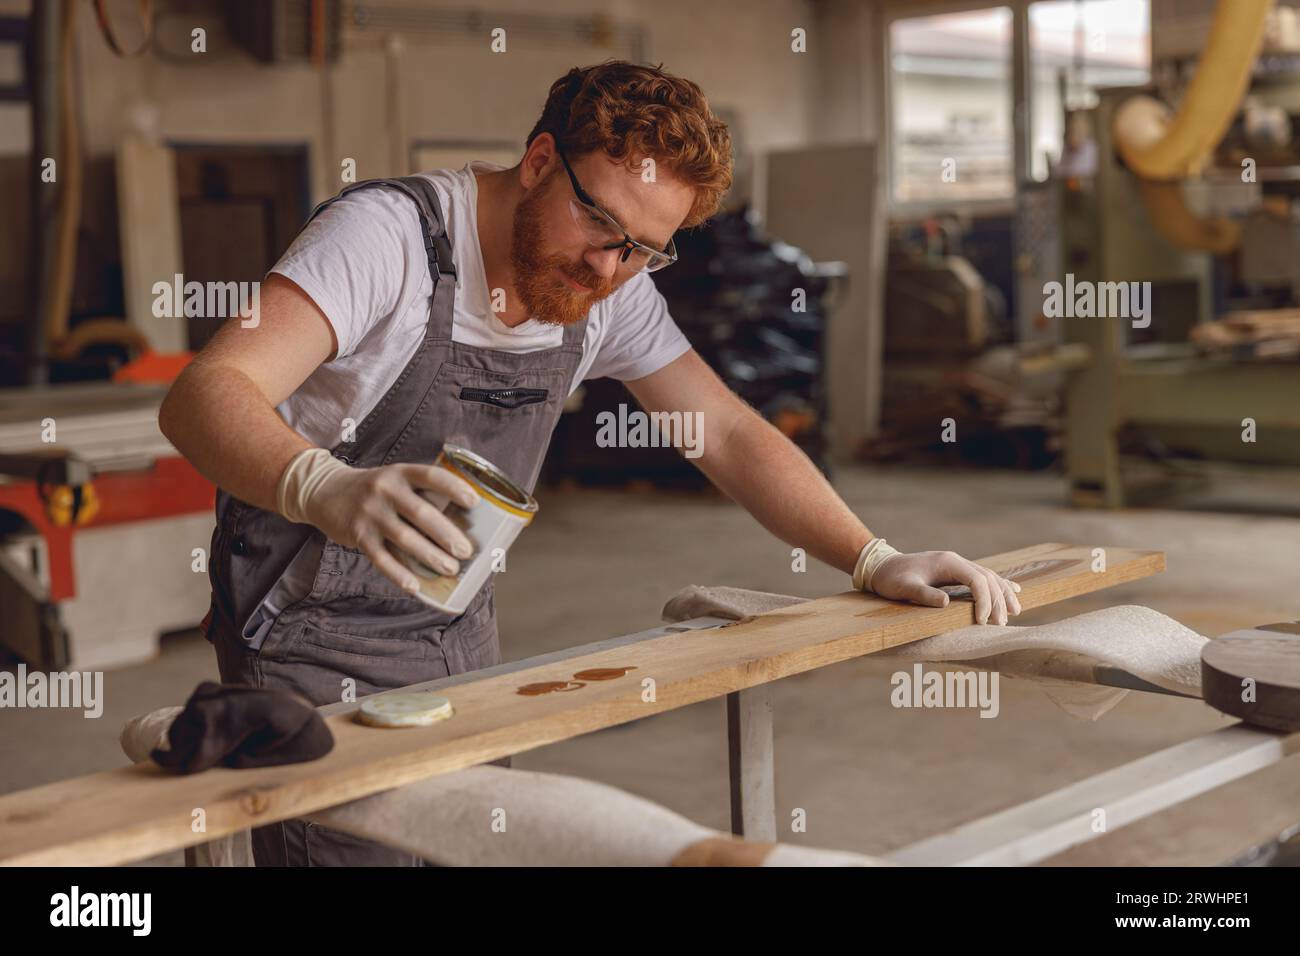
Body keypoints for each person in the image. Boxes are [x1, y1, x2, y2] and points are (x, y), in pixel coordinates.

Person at [159, 60, 1020, 866]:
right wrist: (324, 486)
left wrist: (871, 556)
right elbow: (205, 393)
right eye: (601, 222)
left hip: (456, 626)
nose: (608, 267)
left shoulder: (609, 286)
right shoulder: (387, 239)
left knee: (469, 841)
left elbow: (722, 429)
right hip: (303, 633)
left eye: (644, 248)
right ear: (539, 161)